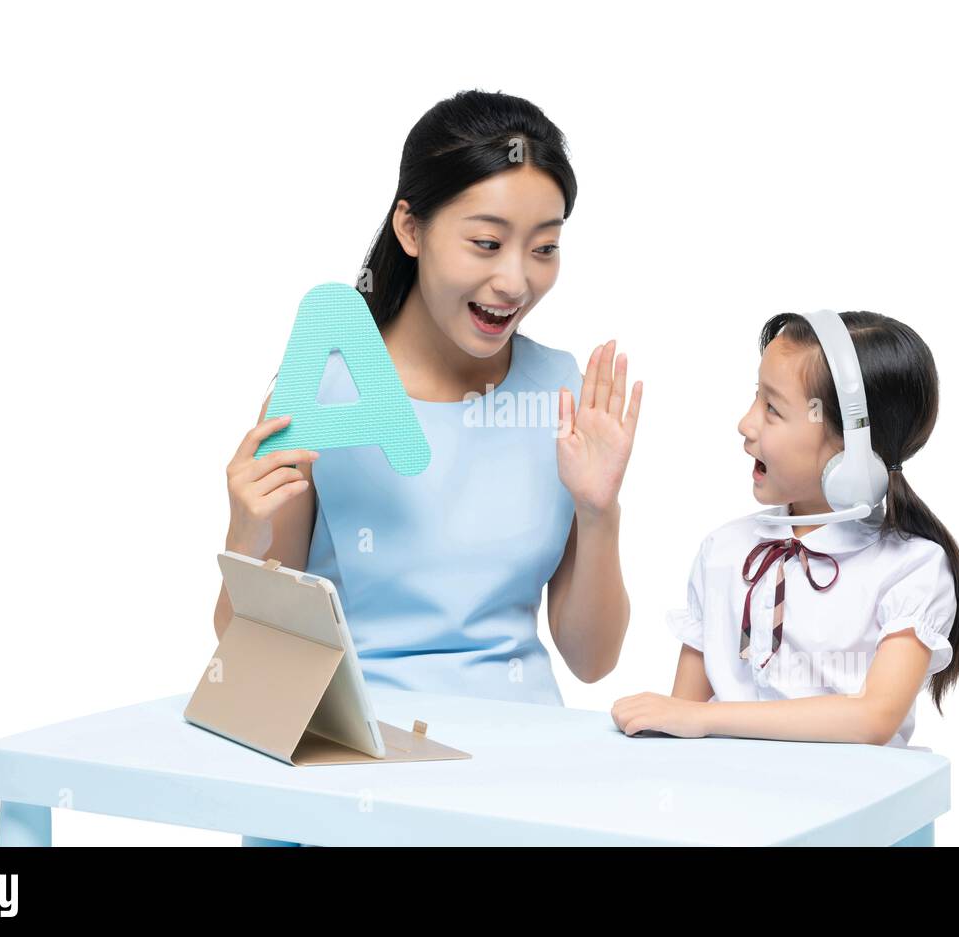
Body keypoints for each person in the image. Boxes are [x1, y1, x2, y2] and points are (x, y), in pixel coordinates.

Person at [215, 89, 643, 712]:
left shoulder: (560, 393)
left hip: (527, 754)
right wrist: (244, 535)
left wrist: (599, 512)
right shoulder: (321, 393)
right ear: (410, 228)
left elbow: (592, 660)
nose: (516, 281)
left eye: (544, 247)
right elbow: (251, 655)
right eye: (487, 244)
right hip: (362, 747)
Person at [612, 311, 959, 748]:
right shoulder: (723, 551)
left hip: (851, 807)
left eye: (772, 409)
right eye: (757, 398)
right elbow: (680, 718)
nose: (746, 423)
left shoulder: (912, 568)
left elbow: (873, 719)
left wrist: (706, 717)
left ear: (851, 450)